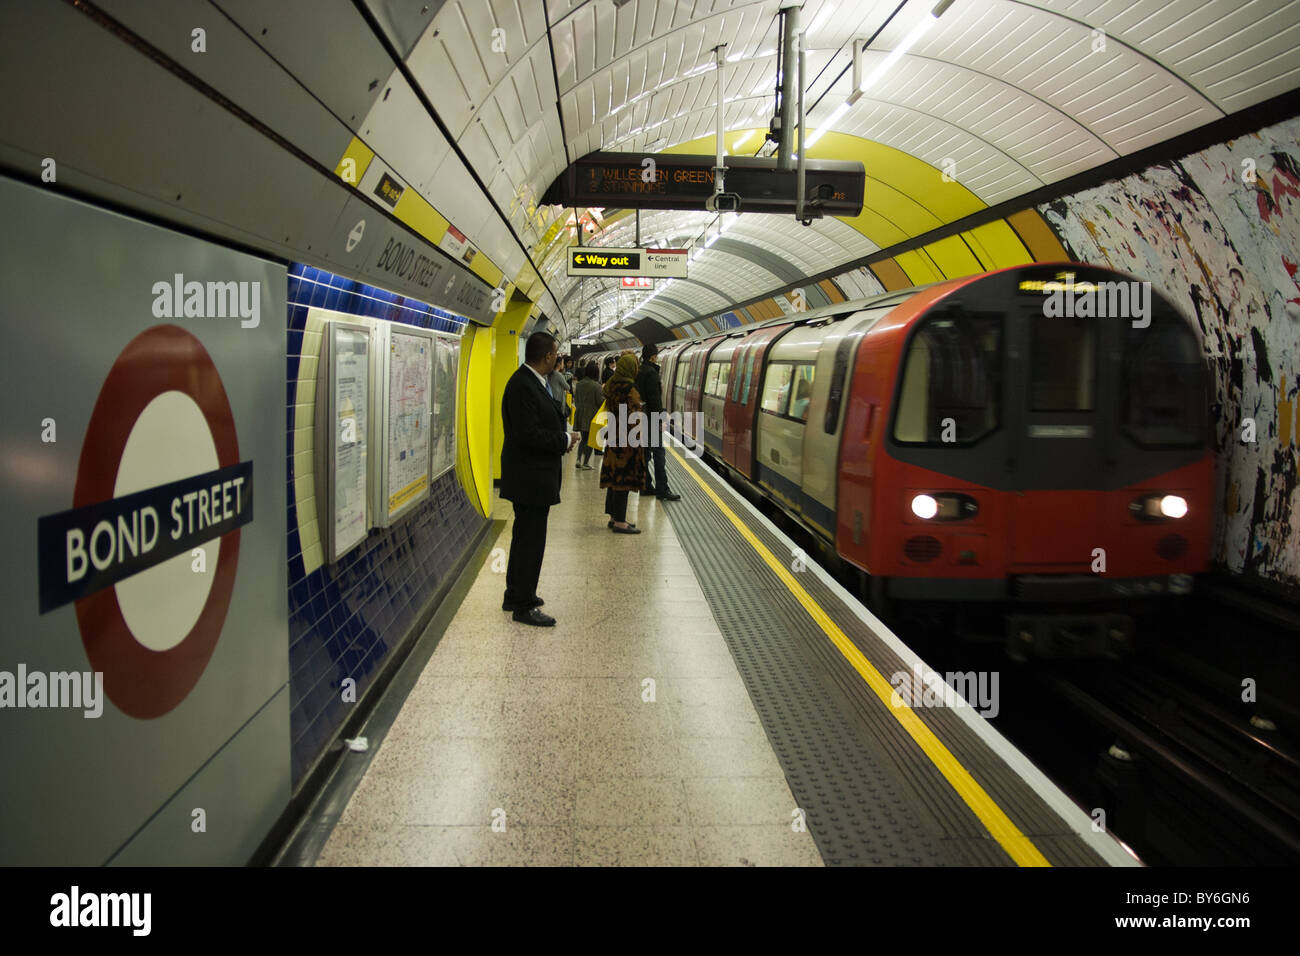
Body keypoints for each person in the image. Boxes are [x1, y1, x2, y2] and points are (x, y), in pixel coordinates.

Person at [500, 331, 582, 626]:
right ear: (547, 356)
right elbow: (528, 434)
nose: (558, 359)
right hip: (530, 478)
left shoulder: (532, 382)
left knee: (525, 538)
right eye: (556, 355)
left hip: (531, 476)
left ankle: (516, 594)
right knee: (531, 541)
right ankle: (524, 605)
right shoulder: (523, 386)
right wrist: (563, 439)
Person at [599, 353, 647, 534]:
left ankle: (613, 516)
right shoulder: (630, 389)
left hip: (613, 437)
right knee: (623, 480)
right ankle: (620, 522)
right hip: (626, 441)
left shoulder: (612, 385)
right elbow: (632, 418)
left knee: (613, 477)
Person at [633, 342, 680, 501]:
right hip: (651, 419)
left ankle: (646, 485)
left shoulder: (638, 371)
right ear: (653, 357)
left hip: (640, 417)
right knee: (659, 453)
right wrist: (660, 418)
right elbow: (654, 399)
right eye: (656, 357)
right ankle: (662, 489)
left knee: (645, 453)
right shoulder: (651, 373)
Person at [573, 361, 603, 471]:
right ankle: (585, 463)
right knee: (590, 440)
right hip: (591, 416)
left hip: (580, 415)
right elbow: (600, 402)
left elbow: (576, 400)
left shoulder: (579, 384)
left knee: (583, 439)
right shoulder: (596, 386)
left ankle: (578, 459)